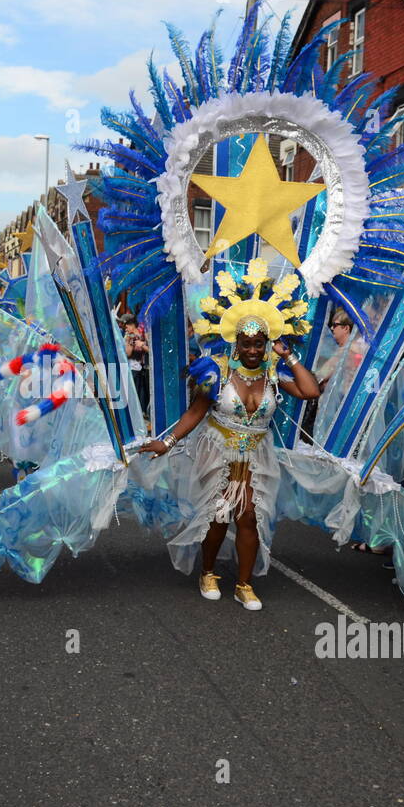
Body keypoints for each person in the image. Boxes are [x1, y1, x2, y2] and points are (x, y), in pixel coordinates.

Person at [140, 260, 319, 611]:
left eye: (259, 343)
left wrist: (290, 355)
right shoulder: (216, 372)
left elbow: (310, 391)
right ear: (235, 342)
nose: (253, 349)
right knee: (221, 513)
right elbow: (195, 413)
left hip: (256, 454)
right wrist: (167, 442)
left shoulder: (273, 373)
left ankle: (244, 584)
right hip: (218, 449)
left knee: (249, 515)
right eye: (247, 343)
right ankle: (208, 572)